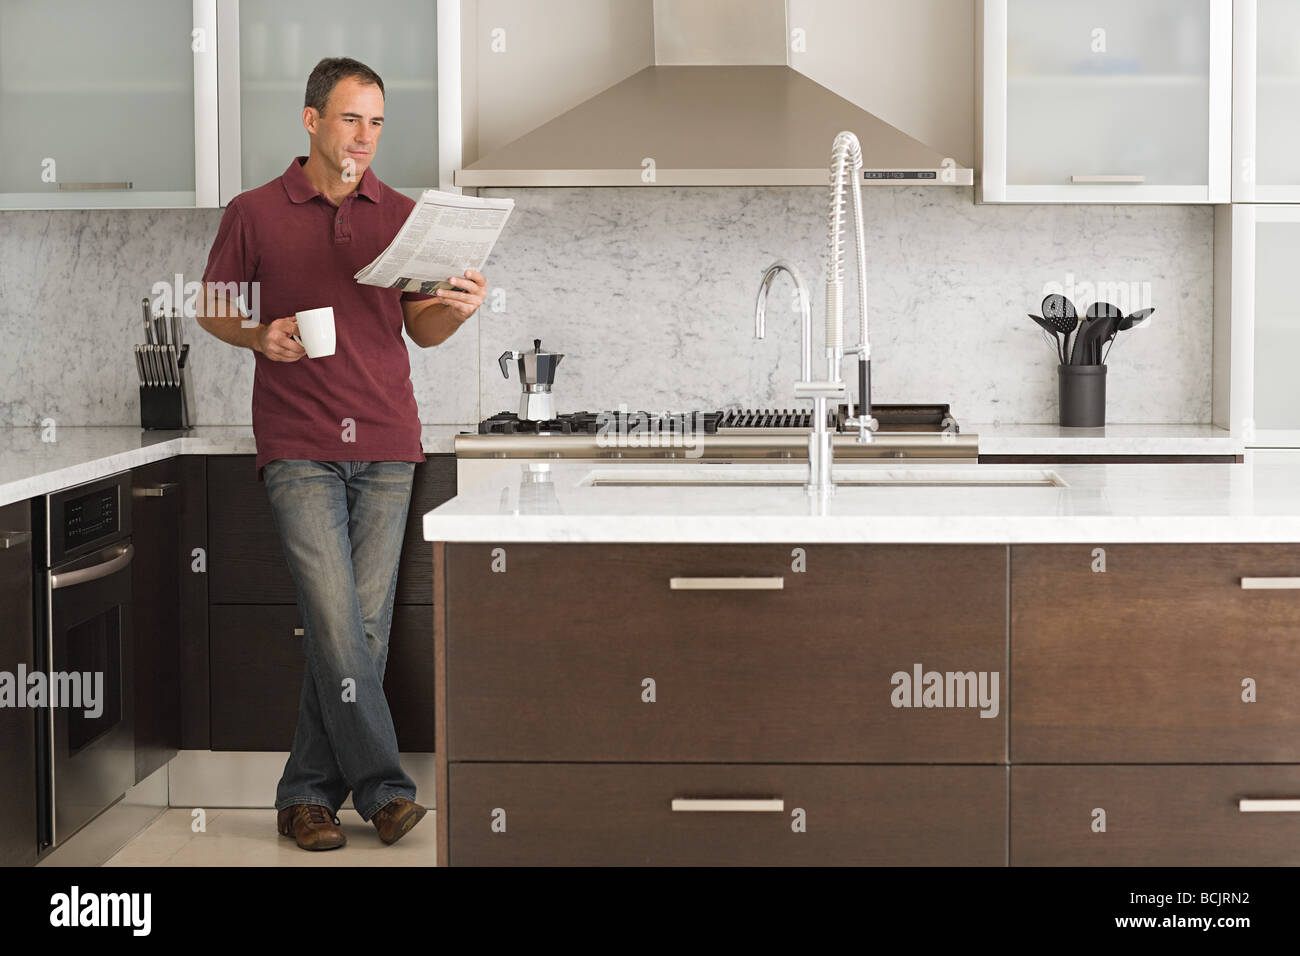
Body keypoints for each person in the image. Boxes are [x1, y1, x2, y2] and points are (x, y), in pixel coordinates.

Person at [197, 56, 486, 850]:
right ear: (312, 120)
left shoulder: (401, 215)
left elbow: (420, 329)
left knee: (360, 628)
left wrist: (457, 310)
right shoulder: (255, 212)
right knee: (335, 620)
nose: (365, 136)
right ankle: (386, 790)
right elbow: (212, 307)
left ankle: (305, 798)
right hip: (298, 445)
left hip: (390, 443)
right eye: (352, 118)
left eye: (378, 122)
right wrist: (259, 334)